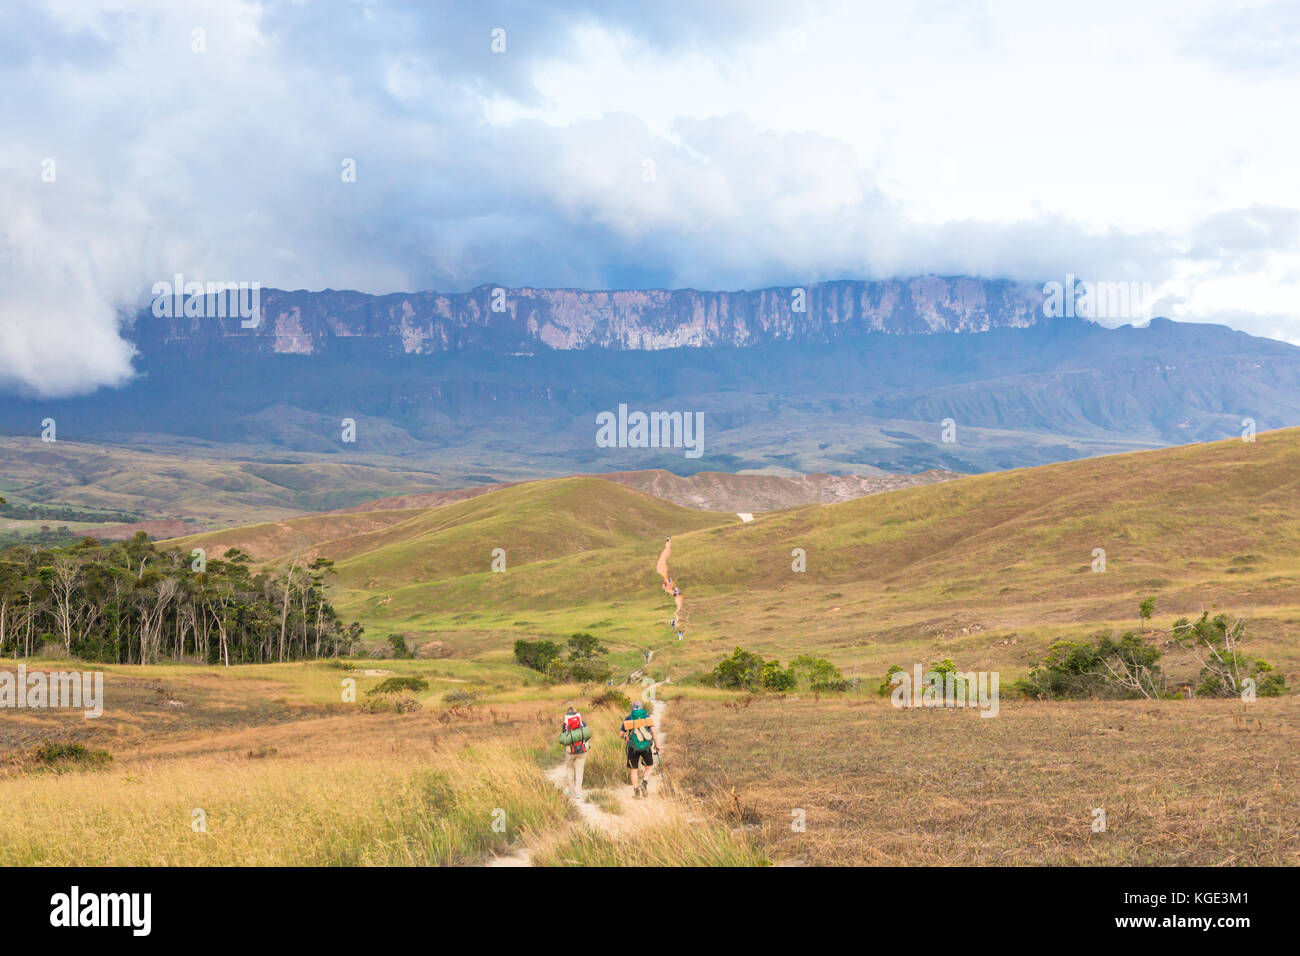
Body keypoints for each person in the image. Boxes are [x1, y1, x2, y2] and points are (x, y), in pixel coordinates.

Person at [620, 700, 659, 797]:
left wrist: (626, 738)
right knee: (649, 767)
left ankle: (636, 791)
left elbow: (620, 734)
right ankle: (644, 783)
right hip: (646, 747)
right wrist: (657, 745)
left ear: (633, 708)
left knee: (634, 770)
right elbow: (653, 732)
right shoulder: (647, 717)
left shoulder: (629, 718)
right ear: (641, 708)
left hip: (633, 747)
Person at [560, 705, 590, 798]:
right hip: (582, 750)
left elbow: (564, 739)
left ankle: (572, 792)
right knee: (579, 771)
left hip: (570, 751)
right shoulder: (582, 723)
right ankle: (579, 793)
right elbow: (587, 735)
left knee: (570, 770)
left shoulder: (565, 725)